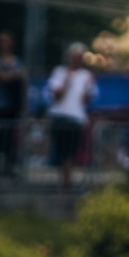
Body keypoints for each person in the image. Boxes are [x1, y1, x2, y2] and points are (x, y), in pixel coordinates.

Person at [44, 42, 96, 190]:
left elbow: (86, 100)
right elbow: (56, 96)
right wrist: (67, 80)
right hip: (59, 116)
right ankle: (64, 182)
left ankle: (66, 183)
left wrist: (88, 88)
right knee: (60, 152)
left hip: (76, 119)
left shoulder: (86, 76)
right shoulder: (59, 72)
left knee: (70, 152)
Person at [0, 31, 25, 177]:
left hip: (12, 106)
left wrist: (10, 75)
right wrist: (13, 74)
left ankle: (9, 166)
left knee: (10, 139)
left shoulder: (17, 60)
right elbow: (1, 76)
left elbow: (21, 74)